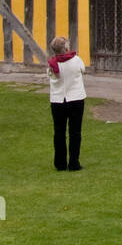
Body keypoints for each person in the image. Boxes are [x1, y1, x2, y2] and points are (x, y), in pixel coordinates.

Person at [47, 36, 87, 171]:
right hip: (75, 98)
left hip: (58, 100)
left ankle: (60, 163)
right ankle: (74, 162)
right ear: (66, 48)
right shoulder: (76, 60)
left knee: (59, 131)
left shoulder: (52, 63)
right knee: (75, 131)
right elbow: (83, 70)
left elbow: (51, 76)